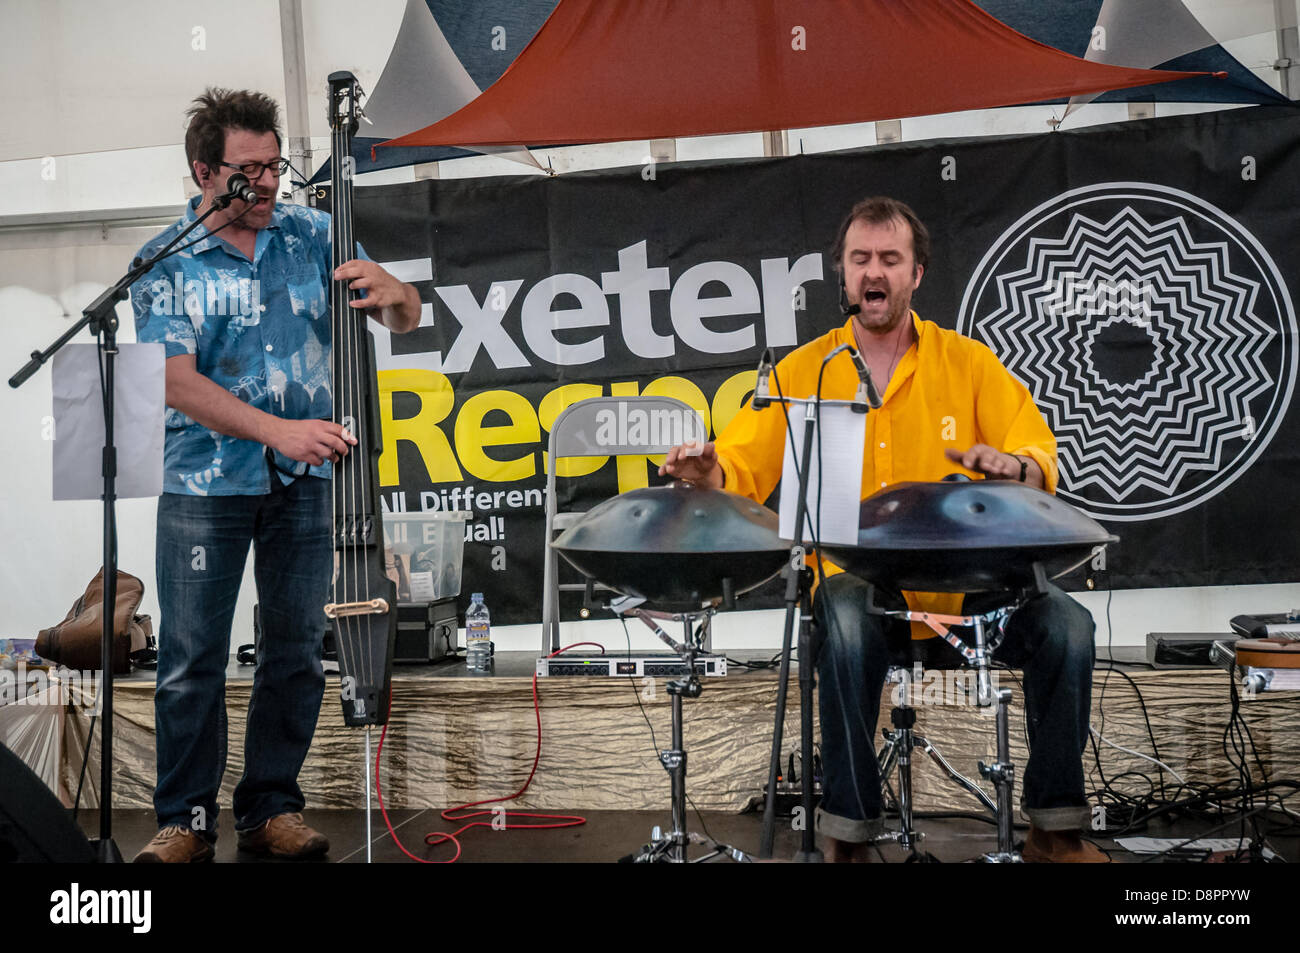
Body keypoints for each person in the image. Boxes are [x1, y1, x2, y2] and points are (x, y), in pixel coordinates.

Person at [661, 197, 1105, 863]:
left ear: (916, 274)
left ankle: (1055, 829)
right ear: (842, 274)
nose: (874, 271)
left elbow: (1040, 457)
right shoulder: (802, 372)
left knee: (1068, 625)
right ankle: (849, 835)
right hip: (860, 592)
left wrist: (1015, 466)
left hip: (969, 593)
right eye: (860, 258)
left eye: (890, 259)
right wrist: (704, 472)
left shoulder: (969, 363)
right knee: (838, 615)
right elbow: (741, 470)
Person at [130, 89, 420, 862]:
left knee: (293, 645)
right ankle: (184, 817)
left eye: (273, 167)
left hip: (305, 484)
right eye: (247, 170)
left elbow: (399, 309)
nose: (265, 185)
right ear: (203, 169)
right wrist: (278, 430)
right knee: (191, 654)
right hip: (203, 485)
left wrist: (401, 301)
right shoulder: (164, 262)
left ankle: (270, 806)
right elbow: (173, 380)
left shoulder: (314, 233)